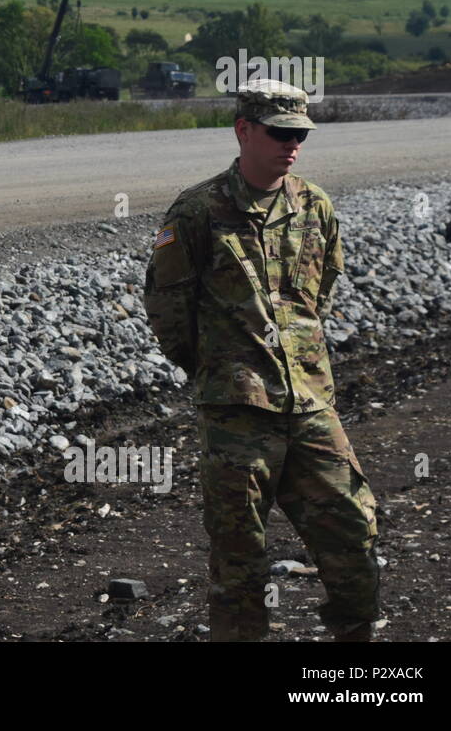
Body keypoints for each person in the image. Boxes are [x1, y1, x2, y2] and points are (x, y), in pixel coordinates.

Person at [144, 79, 380, 642]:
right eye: (280, 133)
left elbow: (317, 298)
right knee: (239, 554)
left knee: (353, 528)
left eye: (300, 134)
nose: (292, 145)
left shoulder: (314, 205)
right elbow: (168, 309)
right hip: (237, 409)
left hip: (309, 400)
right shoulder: (199, 211)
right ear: (244, 130)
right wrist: (220, 369)